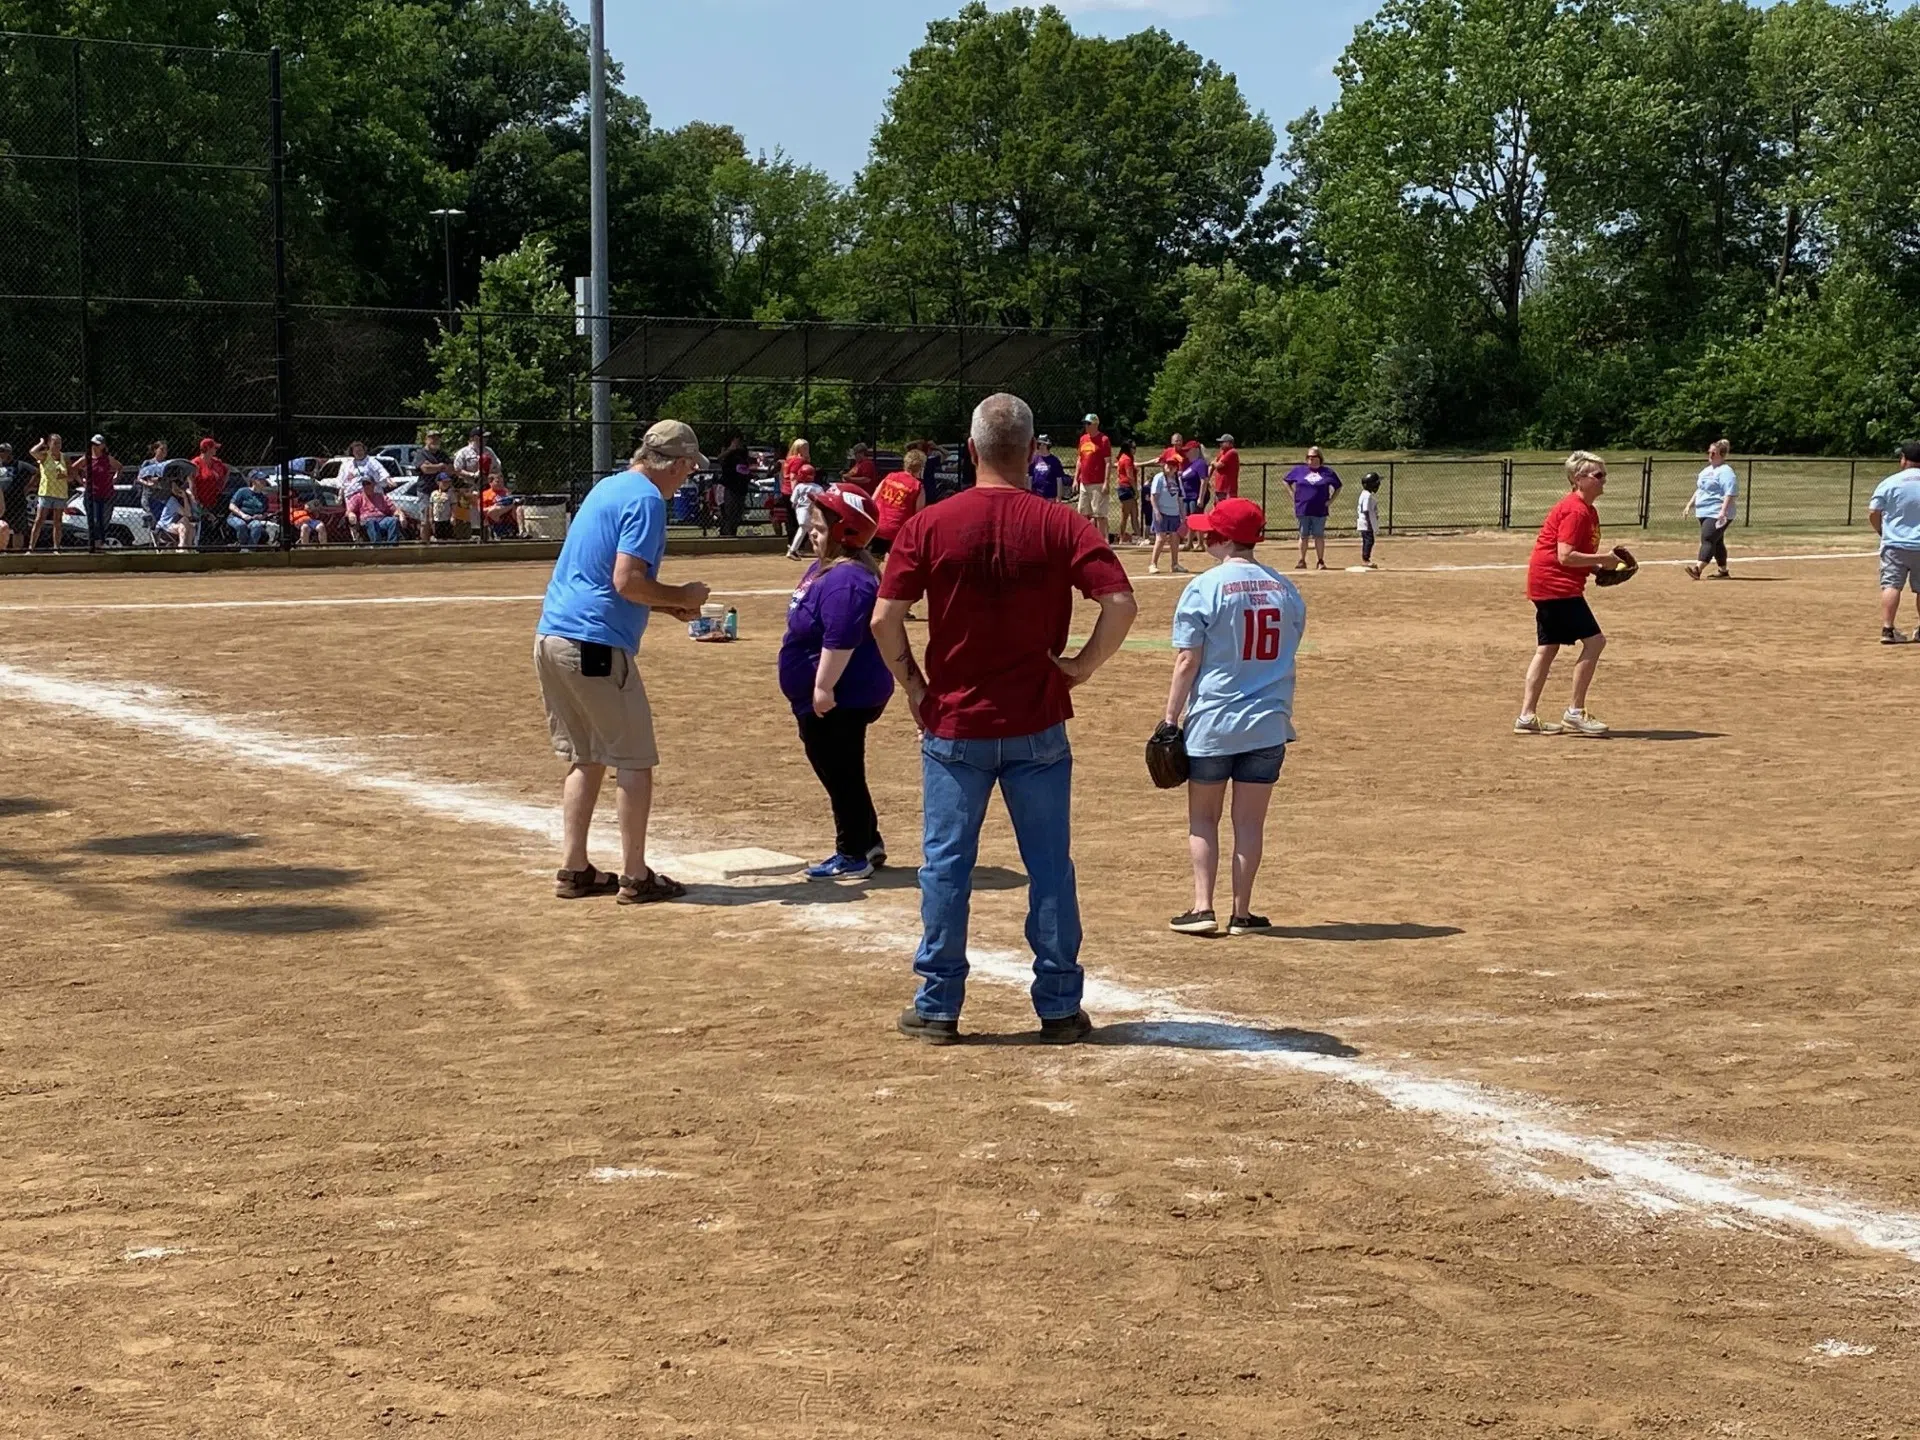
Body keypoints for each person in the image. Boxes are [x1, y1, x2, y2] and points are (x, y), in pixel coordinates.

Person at [871, 392, 1137, 1046]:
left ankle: (938, 1005)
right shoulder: (1060, 523)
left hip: (955, 722)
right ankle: (1058, 1005)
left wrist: (914, 686)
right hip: (1036, 718)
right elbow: (1119, 603)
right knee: (1049, 868)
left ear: (971, 450)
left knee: (946, 866)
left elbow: (884, 620)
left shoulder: (929, 525)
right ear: (1031, 451)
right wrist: (1079, 667)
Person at [535, 420, 712, 905]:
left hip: (553, 637)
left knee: (586, 756)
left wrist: (667, 606)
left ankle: (575, 869)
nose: (688, 478)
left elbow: (605, 579)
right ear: (676, 464)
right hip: (594, 644)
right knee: (633, 759)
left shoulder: (610, 486)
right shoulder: (647, 500)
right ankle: (636, 876)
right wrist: (683, 595)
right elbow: (626, 581)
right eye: (689, 469)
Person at [1162, 498, 1305, 937]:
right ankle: (1242, 913)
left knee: (1203, 819)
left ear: (1221, 538)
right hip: (1268, 721)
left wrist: (1170, 718)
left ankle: (1203, 907)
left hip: (1215, 720)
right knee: (1249, 823)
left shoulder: (1204, 586)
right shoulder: (1285, 587)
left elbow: (1188, 660)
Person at [781, 485, 896, 881]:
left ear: (844, 533)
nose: (812, 534)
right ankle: (868, 841)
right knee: (841, 770)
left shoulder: (847, 579)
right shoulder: (827, 568)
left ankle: (853, 853)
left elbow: (841, 638)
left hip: (843, 696)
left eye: (819, 528)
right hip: (835, 694)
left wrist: (823, 687)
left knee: (840, 772)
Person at [1516, 451, 1629, 736]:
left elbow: (1577, 556)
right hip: (1556, 586)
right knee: (1595, 642)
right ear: (1578, 479)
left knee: (1547, 649)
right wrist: (1604, 559)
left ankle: (1527, 717)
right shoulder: (1575, 511)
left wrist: (1598, 569)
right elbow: (1565, 556)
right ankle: (1575, 712)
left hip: (1551, 585)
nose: (1604, 479)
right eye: (1598, 475)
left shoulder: (1588, 511)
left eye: (1604, 474)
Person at [1869, 441, 1920, 644]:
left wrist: (1882, 531)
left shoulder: (1890, 482)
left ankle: (1888, 629)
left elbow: (1874, 512)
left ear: (1904, 460)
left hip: (1895, 545)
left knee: (1891, 585)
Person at [1683, 439, 1738, 581]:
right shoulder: (1706, 471)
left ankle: (1697, 569)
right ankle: (1723, 571)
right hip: (1703, 511)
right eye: (1709, 452)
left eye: (1714, 453)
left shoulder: (1726, 471)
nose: (1710, 455)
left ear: (1722, 454)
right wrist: (1689, 504)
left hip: (1717, 512)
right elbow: (1700, 489)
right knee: (1717, 541)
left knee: (1708, 538)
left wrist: (1723, 512)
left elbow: (1730, 492)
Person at [1282, 446, 1341, 570]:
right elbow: (1286, 481)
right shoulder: (1299, 470)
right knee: (1303, 535)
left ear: (1319, 458)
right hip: (1303, 508)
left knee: (1318, 535)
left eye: (1313, 457)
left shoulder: (1327, 472)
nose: (1310, 459)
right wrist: (1293, 495)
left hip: (1320, 509)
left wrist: (1331, 501)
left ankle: (1320, 561)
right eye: (1308, 457)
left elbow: (1338, 486)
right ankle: (1302, 560)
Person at [870, 448, 925, 559]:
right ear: (921, 467)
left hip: (877, 526)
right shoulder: (917, 487)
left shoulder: (889, 477)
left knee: (875, 557)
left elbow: (873, 499)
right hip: (897, 531)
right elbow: (918, 515)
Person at [77, 435, 121, 553]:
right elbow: (73, 468)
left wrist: (115, 478)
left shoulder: (107, 458)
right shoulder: (87, 458)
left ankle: (100, 543)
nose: (94, 446)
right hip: (92, 494)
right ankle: (94, 544)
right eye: (93, 444)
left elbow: (119, 467)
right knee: (94, 520)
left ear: (103, 446)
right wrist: (82, 481)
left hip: (106, 494)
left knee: (103, 520)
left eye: (97, 444)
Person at [1147, 455, 1188, 576]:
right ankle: (1153, 564)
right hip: (1162, 512)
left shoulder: (1177, 480)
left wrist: (1183, 516)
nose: (1170, 467)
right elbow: (1153, 497)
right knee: (1161, 538)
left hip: (1174, 513)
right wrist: (1156, 512)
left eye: (1173, 465)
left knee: (1175, 538)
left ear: (1176, 468)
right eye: (1168, 464)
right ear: (1164, 466)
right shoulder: (1159, 478)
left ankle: (1175, 564)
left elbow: (1180, 499)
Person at [27, 434, 69, 552]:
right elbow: (32, 452)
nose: (58, 445)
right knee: (39, 520)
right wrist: (41, 443)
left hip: (60, 494)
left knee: (57, 522)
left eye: (59, 443)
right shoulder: (45, 455)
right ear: (49, 444)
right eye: (55, 443)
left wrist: (65, 476)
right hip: (46, 492)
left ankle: (56, 548)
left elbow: (71, 475)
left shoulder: (64, 457)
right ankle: (31, 548)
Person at [1075, 413, 1113, 540]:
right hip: (1084, 482)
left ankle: (1102, 541)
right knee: (1083, 513)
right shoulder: (1083, 439)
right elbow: (1079, 460)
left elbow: (1108, 462)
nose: (1086, 426)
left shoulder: (1103, 440)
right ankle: (1086, 539)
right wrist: (1076, 479)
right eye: (1085, 424)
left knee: (1099, 515)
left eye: (1088, 424)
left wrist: (1106, 482)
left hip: (1098, 482)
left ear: (1096, 424)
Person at [712, 432, 752, 537]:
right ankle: (726, 535)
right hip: (729, 486)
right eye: (737, 440)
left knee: (738, 514)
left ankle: (733, 534)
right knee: (729, 512)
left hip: (741, 486)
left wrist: (749, 474)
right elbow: (719, 459)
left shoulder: (743, 452)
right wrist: (731, 449)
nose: (739, 443)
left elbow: (746, 466)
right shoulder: (728, 451)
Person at [347, 469, 402, 544]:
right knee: (372, 522)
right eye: (364, 484)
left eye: (368, 483)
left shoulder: (381, 497)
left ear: (373, 484)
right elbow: (349, 511)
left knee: (393, 520)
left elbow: (394, 510)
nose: (366, 486)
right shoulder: (358, 498)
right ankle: (377, 546)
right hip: (366, 523)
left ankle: (391, 546)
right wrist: (351, 514)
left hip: (382, 521)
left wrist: (400, 514)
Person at [191, 437, 228, 544]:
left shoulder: (216, 462)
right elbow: (192, 485)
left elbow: (227, 471)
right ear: (207, 448)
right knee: (204, 523)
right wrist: (197, 502)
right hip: (200, 501)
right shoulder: (196, 463)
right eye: (214, 448)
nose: (216, 450)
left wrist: (221, 486)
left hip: (214, 500)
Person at [786, 459, 824, 561]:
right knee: (805, 530)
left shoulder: (799, 486)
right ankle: (792, 551)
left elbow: (793, 501)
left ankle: (821, 552)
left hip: (800, 510)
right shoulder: (817, 487)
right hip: (810, 511)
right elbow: (823, 500)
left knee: (810, 531)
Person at [778, 439, 813, 544]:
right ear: (798, 449)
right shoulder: (799, 460)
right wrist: (795, 495)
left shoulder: (789, 459)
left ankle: (791, 542)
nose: (807, 450)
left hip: (786, 491)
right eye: (804, 448)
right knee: (801, 519)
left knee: (791, 518)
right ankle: (797, 544)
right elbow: (793, 477)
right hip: (793, 492)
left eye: (807, 447)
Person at [1179, 440, 1210, 551]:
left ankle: (1201, 543)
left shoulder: (1200, 463)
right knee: (1190, 519)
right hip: (1187, 496)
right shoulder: (1189, 464)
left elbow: (1204, 481)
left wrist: (1200, 498)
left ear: (1195, 450)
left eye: (1188, 450)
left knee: (1197, 518)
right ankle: (1189, 543)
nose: (1186, 453)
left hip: (1196, 495)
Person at [228, 472, 272, 548]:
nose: (264, 482)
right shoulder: (243, 491)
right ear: (253, 481)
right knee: (241, 525)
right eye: (261, 480)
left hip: (252, 519)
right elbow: (231, 506)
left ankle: (250, 548)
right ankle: (243, 546)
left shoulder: (264, 497)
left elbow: (265, 513)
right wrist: (243, 515)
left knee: (257, 525)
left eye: (264, 480)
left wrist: (261, 516)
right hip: (236, 517)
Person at [454, 427, 501, 495]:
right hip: (469, 485)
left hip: (486, 484)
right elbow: (457, 470)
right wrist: (473, 474)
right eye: (484, 437)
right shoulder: (463, 452)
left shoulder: (489, 451)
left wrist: (489, 472)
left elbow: (497, 465)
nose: (486, 439)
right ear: (476, 438)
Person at [0, 443, 28, 550]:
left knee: (18, 529)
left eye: (3, 451)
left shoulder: (19, 464)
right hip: (1, 501)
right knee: (2, 528)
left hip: (17, 501)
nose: (1, 453)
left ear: (9, 452)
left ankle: (17, 552)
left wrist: (28, 486)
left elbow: (36, 472)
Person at [136, 440, 170, 527]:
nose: (164, 452)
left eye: (165, 450)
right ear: (155, 450)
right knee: (153, 521)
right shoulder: (148, 463)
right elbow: (139, 478)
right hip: (150, 497)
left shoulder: (167, 465)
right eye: (161, 449)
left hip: (163, 497)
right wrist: (148, 483)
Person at [156, 477, 194, 550]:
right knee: (182, 526)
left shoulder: (179, 499)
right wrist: (185, 497)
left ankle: (189, 548)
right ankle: (181, 547)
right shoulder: (172, 500)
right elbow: (187, 513)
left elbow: (189, 514)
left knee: (190, 526)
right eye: (174, 487)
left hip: (174, 524)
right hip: (164, 527)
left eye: (177, 487)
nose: (176, 490)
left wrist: (185, 497)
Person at [1114, 440, 1140, 546]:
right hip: (1126, 488)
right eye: (1133, 448)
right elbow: (1130, 477)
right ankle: (1121, 538)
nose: (1135, 450)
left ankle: (1138, 537)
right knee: (1125, 515)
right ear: (1128, 448)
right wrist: (1136, 490)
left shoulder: (1125, 458)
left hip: (1126, 488)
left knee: (1134, 514)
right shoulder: (1127, 459)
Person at [482, 472, 523, 539]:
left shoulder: (505, 491)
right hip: (495, 517)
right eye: (497, 482)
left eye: (502, 482)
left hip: (508, 515)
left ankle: (521, 532)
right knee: (493, 510)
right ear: (490, 482)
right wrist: (494, 506)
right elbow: (482, 510)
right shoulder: (485, 494)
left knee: (519, 508)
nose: (500, 484)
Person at [1028, 434, 1066, 502]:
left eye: (1043, 444)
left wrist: (1059, 497)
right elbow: (1030, 478)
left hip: (1050, 496)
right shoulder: (1034, 459)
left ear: (1048, 445)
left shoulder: (1054, 461)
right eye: (1039, 444)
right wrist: (1029, 494)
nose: (1040, 446)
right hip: (1036, 495)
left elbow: (1059, 480)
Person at [1357, 472, 1382, 568]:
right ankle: (1366, 560)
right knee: (1369, 541)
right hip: (1366, 523)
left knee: (1368, 540)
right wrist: (1369, 523)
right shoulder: (1367, 495)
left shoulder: (1365, 494)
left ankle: (1366, 558)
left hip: (1365, 522)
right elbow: (1366, 510)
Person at [1210, 434, 1241, 502]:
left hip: (1228, 489)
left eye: (1222, 442)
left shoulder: (1232, 452)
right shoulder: (1223, 452)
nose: (1220, 444)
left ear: (1229, 443)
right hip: (1219, 487)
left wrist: (1213, 463)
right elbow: (1214, 463)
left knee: (1228, 507)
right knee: (1218, 506)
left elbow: (1218, 465)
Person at [427, 473, 456, 542]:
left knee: (448, 537)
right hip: (437, 519)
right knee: (438, 537)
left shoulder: (450, 493)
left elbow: (453, 505)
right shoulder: (434, 493)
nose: (446, 484)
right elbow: (431, 506)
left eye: (448, 482)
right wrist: (431, 517)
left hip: (447, 519)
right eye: (444, 482)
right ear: (438, 482)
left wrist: (453, 516)